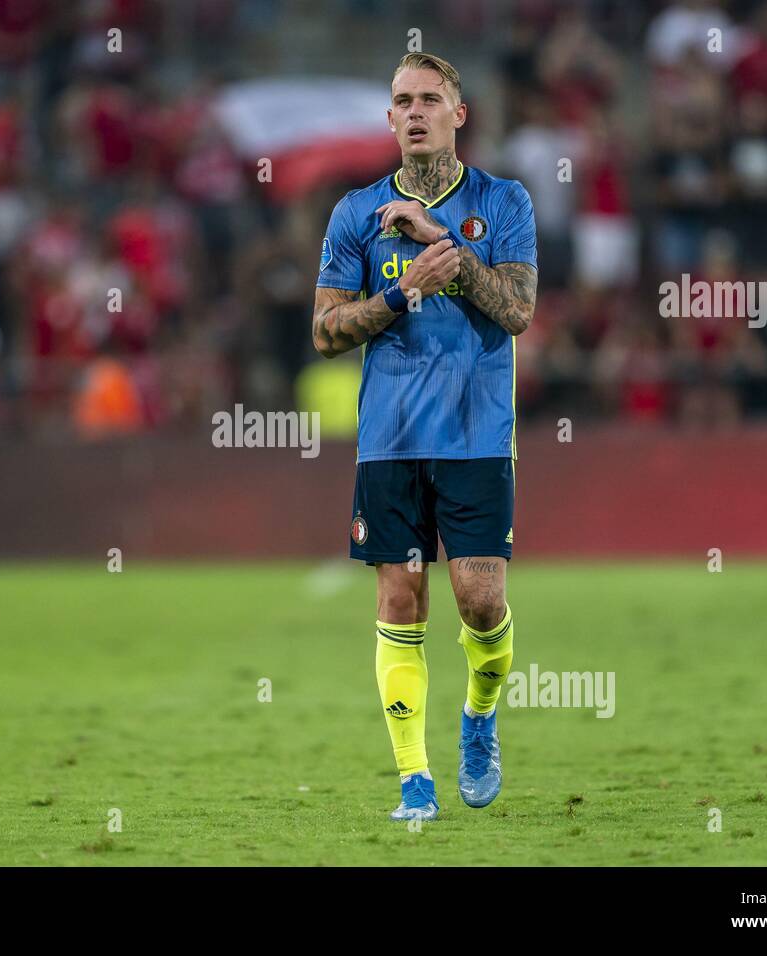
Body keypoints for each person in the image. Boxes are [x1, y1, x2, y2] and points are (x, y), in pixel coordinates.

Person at [312, 53, 538, 822]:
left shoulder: (503, 202)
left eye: (429, 100)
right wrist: (402, 293)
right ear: (389, 119)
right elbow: (326, 330)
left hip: (476, 434)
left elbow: (516, 311)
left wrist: (441, 241)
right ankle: (415, 781)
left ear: (458, 113)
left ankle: (479, 716)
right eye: (402, 101)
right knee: (401, 599)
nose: (414, 112)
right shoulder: (354, 214)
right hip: (390, 438)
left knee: (479, 602)